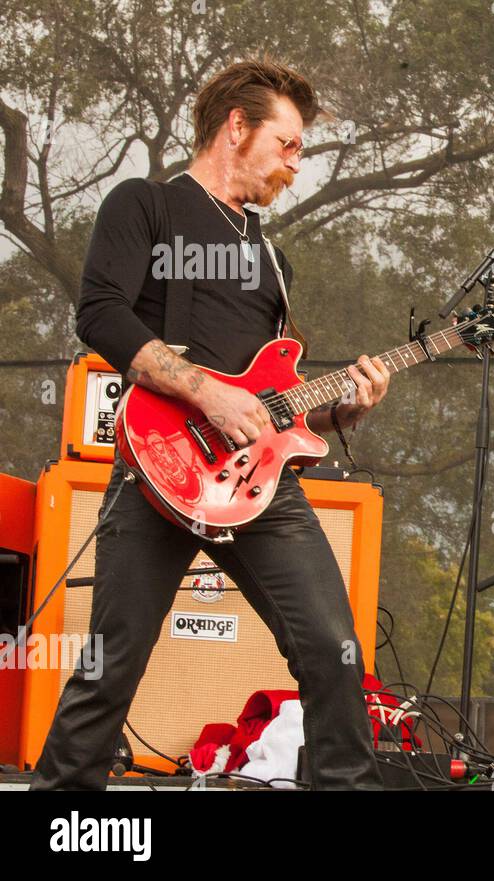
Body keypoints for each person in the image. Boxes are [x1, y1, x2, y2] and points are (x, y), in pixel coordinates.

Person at [31, 58, 390, 790]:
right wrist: (204, 394)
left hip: (257, 485)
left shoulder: (272, 259)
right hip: (158, 467)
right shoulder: (145, 207)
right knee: (112, 662)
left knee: (332, 646)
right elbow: (100, 311)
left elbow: (275, 397)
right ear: (237, 127)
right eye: (286, 143)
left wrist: (343, 404)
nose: (297, 162)